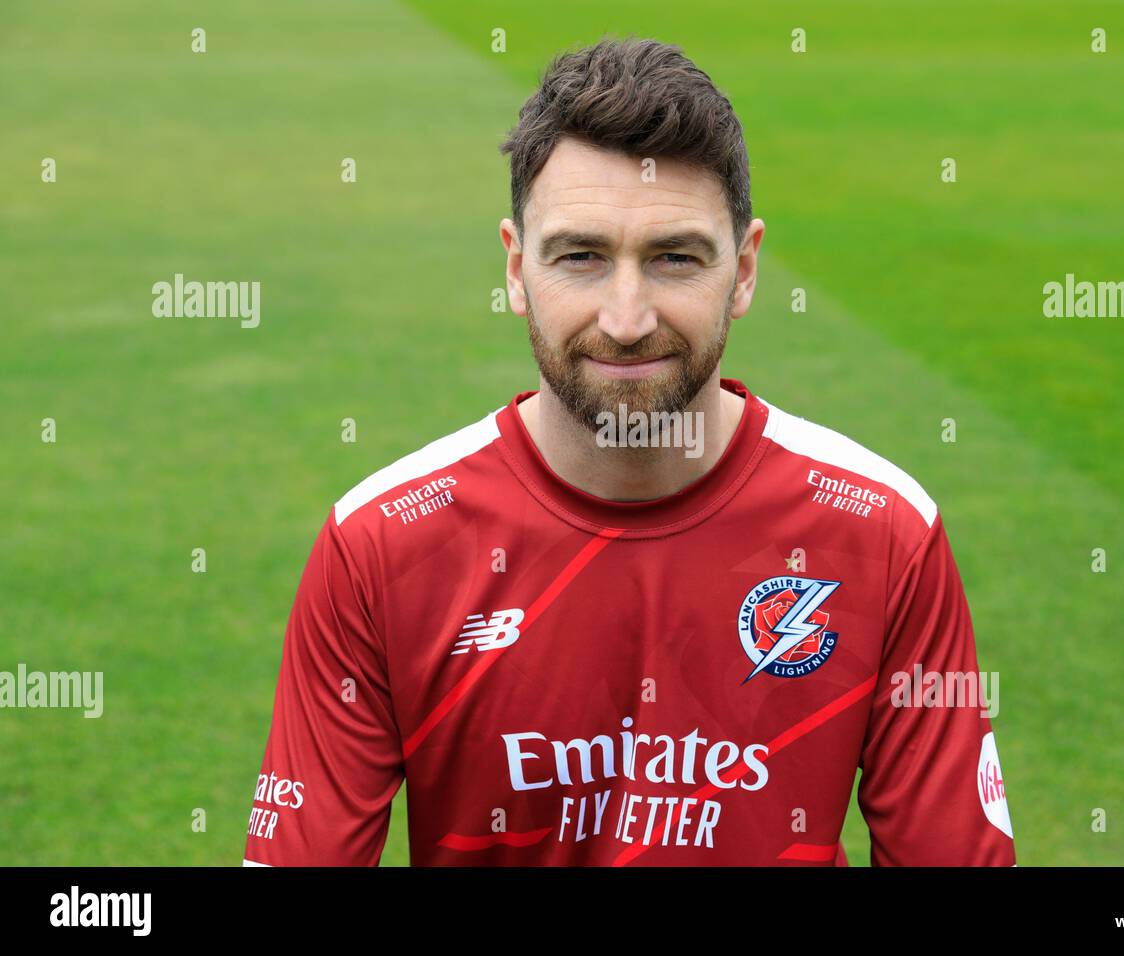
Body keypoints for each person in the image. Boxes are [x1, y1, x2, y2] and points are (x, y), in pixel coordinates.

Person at [243, 35, 1015, 867]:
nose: (626, 318)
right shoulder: (381, 545)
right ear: (514, 267)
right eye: (580, 257)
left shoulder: (882, 532)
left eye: (674, 258)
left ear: (746, 269)